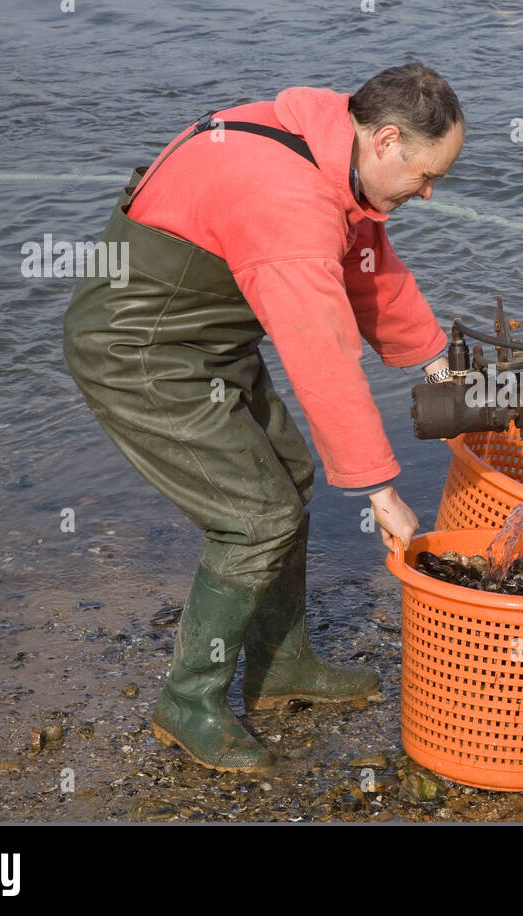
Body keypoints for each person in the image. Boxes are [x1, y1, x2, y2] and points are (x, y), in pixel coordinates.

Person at [62, 63, 464, 772]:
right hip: (139, 352)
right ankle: (188, 702)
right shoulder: (287, 201)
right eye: (425, 175)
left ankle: (281, 667)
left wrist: (439, 363)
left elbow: (366, 264)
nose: (429, 193)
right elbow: (322, 355)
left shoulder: (326, 141)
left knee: (288, 474)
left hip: (206, 341)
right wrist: (381, 491)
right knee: (255, 516)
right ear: (386, 139)